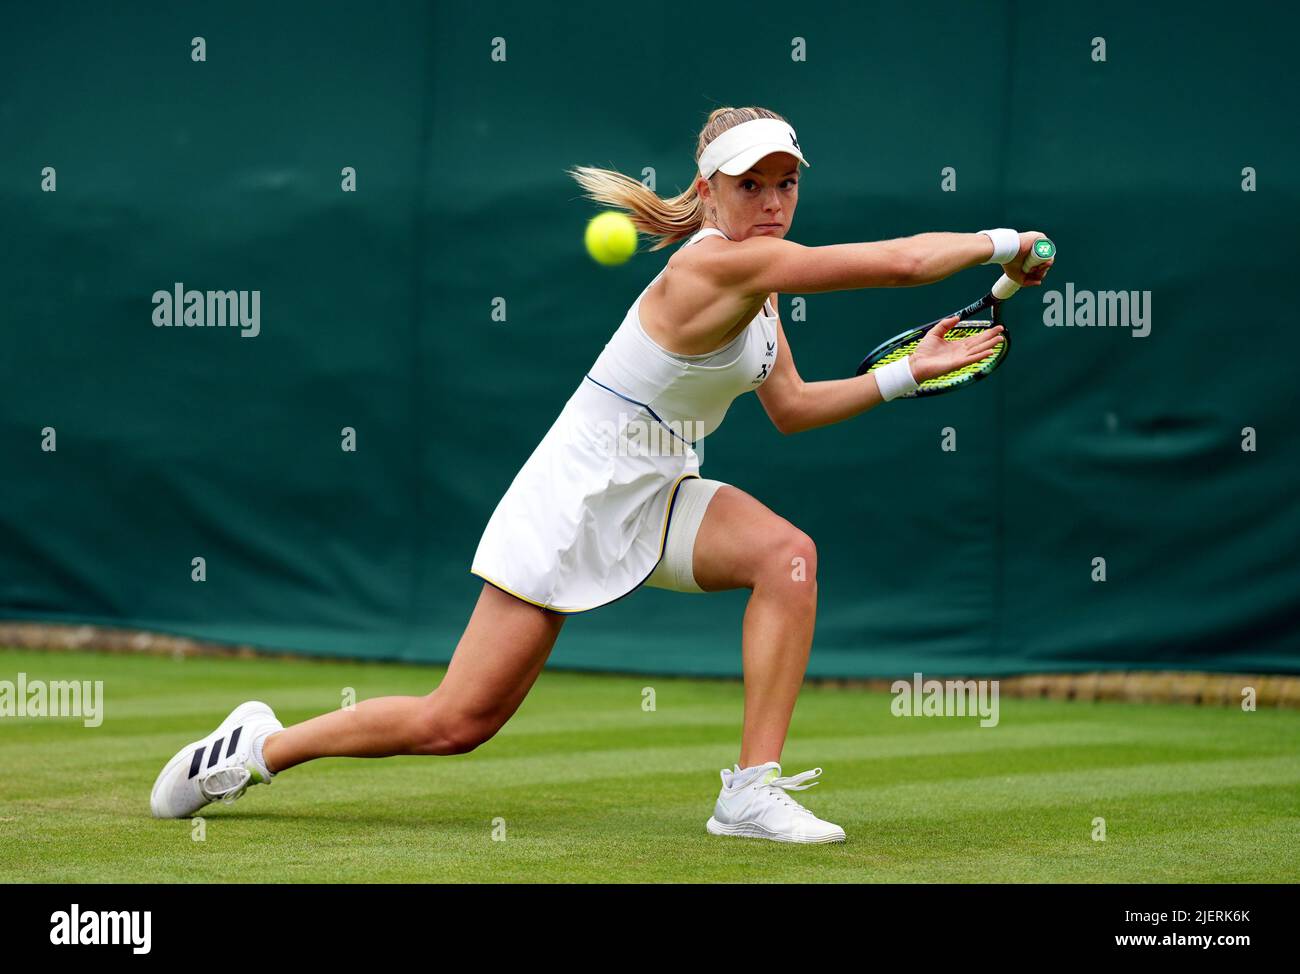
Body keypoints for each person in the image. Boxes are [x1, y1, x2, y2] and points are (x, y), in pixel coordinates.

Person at [151, 105, 1052, 843]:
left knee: (788, 557)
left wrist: (906, 374)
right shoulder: (715, 270)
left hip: (658, 491)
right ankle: (257, 748)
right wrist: (1003, 240)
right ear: (709, 194)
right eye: (752, 184)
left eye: (787, 183)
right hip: (575, 501)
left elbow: (793, 408)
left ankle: (748, 792)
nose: (774, 200)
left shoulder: (762, 287)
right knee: (456, 723)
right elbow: (896, 264)